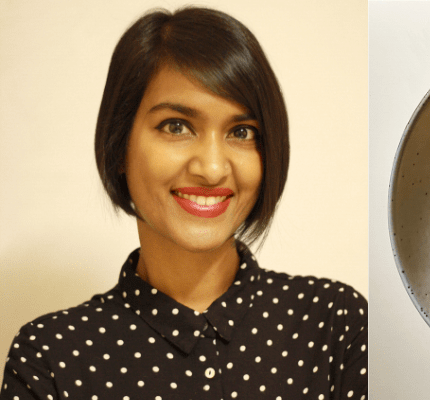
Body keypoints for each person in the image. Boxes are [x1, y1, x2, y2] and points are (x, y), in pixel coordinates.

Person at [0, 6, 367, 400]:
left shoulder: (337, 323)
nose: (211, 169)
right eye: (176, 126)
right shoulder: (50, 357)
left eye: (241, 132)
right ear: (119, 143)